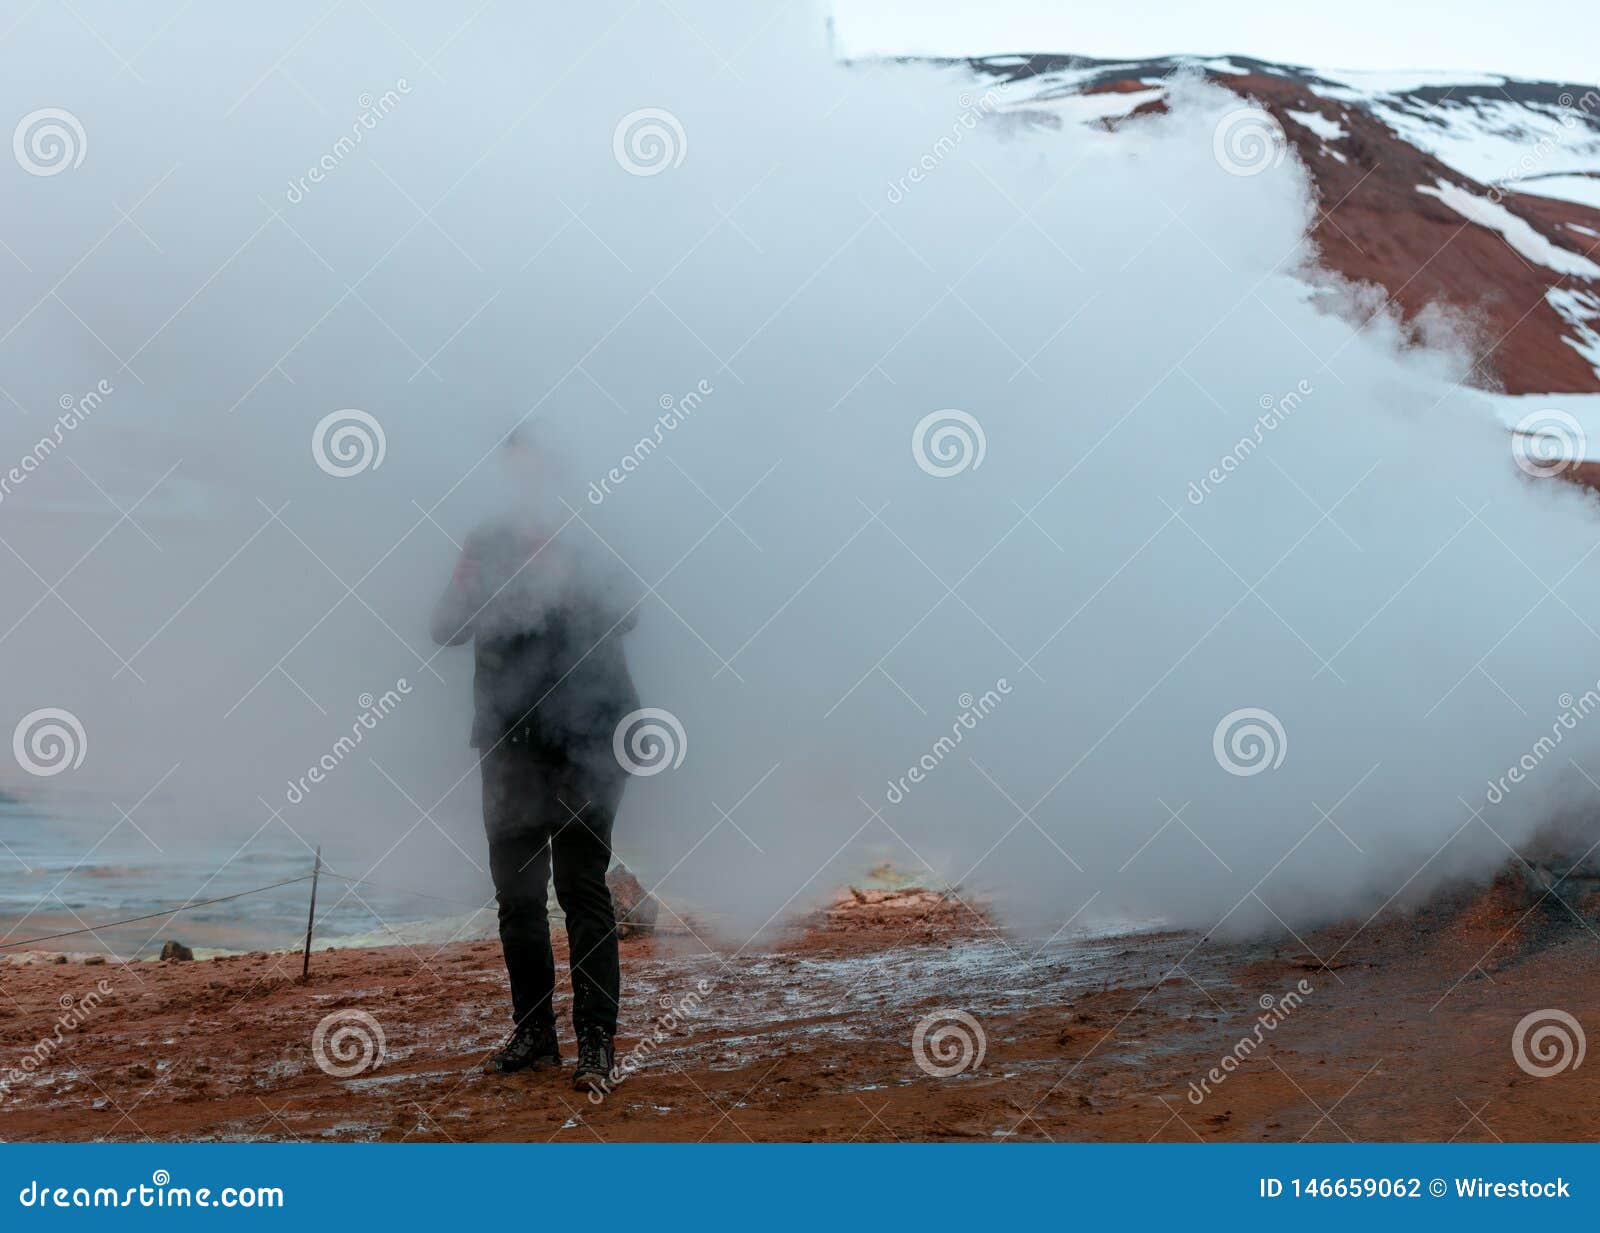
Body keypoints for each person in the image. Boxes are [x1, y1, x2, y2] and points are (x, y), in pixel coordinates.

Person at [430, 437, 639, 1091]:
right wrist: (486, 588)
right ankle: (535, 1033)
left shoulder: (586, 537)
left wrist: (560, 587)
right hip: (507, 739)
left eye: (539, 468)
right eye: (515, 469)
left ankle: (597, 1042)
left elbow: (629, 612)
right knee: (516, 897)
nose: (527, 481)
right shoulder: (484, 542)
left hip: (588, 736)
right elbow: (444, 627)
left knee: (582, 888)